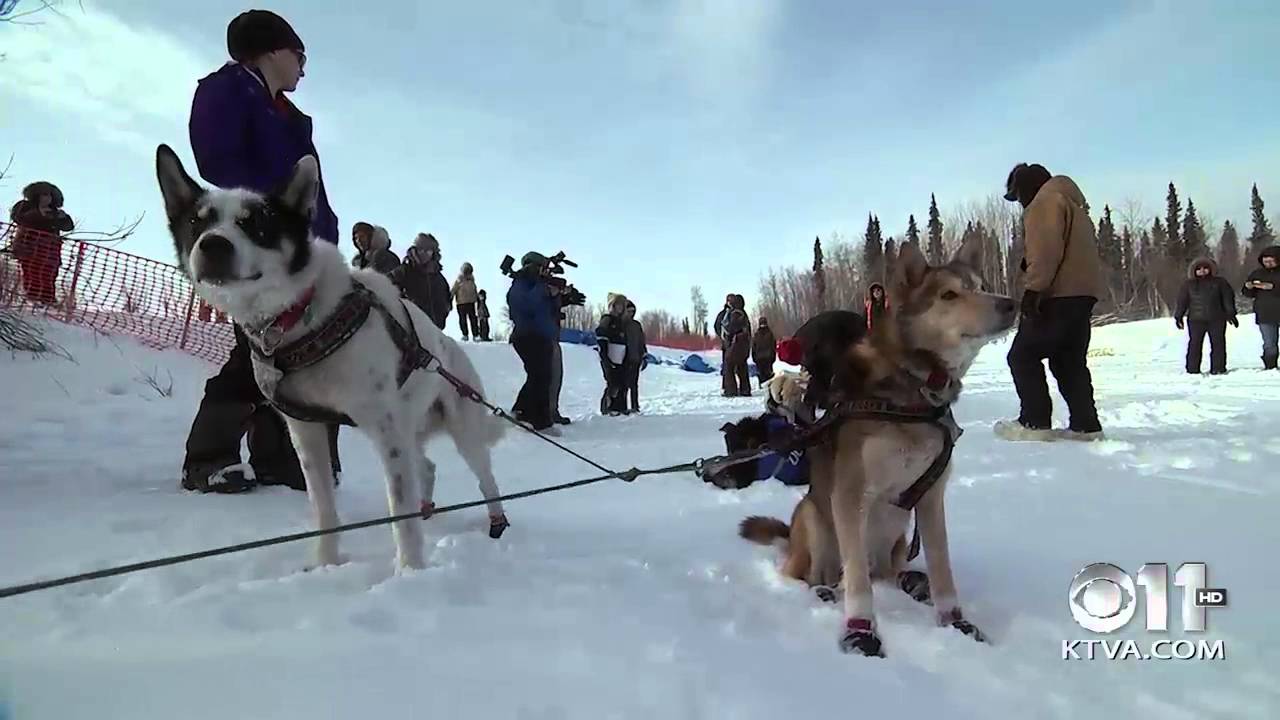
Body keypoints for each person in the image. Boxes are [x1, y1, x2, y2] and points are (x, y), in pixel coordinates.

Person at [180, 9, 341, 494]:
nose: (303, 68)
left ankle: (281, 457)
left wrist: (324, 243)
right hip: (257, 252)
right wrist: (267, 218)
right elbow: (216, 158)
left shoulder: (289, 118)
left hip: (303, 255)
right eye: (300, 55)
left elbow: (311, 195)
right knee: (256, 351)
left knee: (302, 354)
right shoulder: (227, 90)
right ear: (272, 49)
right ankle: (208, 458)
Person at [997, 162, 1106, 441]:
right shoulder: (1071, 203)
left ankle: (1034, 423)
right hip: (1083, 294)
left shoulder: (1044, 202)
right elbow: (1067, 249)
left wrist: (1034, 290)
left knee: (1022, 356)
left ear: (1024, 187)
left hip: (1057, 295)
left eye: (1017, 196)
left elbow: (1046, 250)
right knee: (1068, 361)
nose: (1020, 203)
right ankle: (1086, 426)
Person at [506, 252, 559, 432]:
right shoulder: (520, 284)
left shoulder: (536, 285)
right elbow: (525, 305)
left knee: (541, 376)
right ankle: (539, 421)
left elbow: (545, 310)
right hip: (527, 336)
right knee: (540, 376)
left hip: (542, 336)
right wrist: (543, 289)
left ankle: (522, 412)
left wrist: (558, 296)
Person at [782, 309, 868, 410]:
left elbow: (835, 368)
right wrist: (811, 398)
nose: (802, 363)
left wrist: (833, 395)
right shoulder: (799, 341)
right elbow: (816, 372)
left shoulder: (825, 344)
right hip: (835, 334)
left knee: (852, 369)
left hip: (854, 327)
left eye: (801, 359)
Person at [8, 181, 74, 306]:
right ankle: (32, 297)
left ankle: (48, 299)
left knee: (49, 273)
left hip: (50, 250)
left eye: (49, 195)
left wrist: (62, 218)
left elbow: (68, 226)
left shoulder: (54, 211)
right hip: (29, 247)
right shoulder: (25, 206)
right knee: (31, 271)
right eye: (44, 195)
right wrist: (39, 214)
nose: (47, 198)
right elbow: (19, 218)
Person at [1174, 257, 1238, 375]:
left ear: (1211, 269)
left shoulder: (1220, 282)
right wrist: (1178, 316)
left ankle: (1218, 368)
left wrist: (1231, 314)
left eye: (1205, 268)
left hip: (1217, 318)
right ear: (1194, 271)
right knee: (1194, 344)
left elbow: (1228, 299)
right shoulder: (1188, 285)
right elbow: (1182, 301)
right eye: (1199, 269)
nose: (1202, 271)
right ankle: (1192, 369)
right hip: (1195, 319)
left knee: (1218, 343)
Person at [391, 233, 452, 329]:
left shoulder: (439, 279)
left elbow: (446, 301)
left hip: (434, 331)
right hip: (409, 330)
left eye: (428, 250)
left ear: (433, 253)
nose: (423, 253)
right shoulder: (404, 271)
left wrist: (443, 314)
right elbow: (388, 286)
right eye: (420, 249)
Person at [1242, 246, 1280, 370]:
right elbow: (1248, 294)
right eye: (1265, 261)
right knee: (1269, 343)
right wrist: (1248, 287)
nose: (1268, 264)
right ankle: (1270, 366)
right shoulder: (1257, 273)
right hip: (1265, 313)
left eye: (1271, 261)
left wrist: (1273, 288)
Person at [596, 294, 631, 415]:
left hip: (620, 354)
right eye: (619, 305)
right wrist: (604, 354)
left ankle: (620, 407)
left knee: (622, 381)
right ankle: (607, 407)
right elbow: (600, 335)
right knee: (612, 382)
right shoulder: (607, 319)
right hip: (610, 354)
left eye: (623, 306)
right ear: (613, 306)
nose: (621, 308)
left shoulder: (622, 322)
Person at [547, 284, 571, 424]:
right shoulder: (536, 288)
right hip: (543, 337)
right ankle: (547, 412)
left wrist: (563, 298)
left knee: (556, 376)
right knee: (547, 377)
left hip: (553, 336)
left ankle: (552, 410)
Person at [721, 294, 752, 397]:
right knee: (742, 367)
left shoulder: (735, 313)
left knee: (729, 366)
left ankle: (731, 390)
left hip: (735, 345)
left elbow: (732, 329)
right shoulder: (744, 314)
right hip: (744, 346)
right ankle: (745, 390)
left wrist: (726, 332)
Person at [622, 299, 647, 414]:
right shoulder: (621, 324)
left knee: (634, 384)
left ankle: (635, 406)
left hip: (636, 358)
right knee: (624, 383)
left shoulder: (636, 325)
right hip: (624, 358)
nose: (631, 314)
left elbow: (641, 341)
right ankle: (622, 406)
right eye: (629, 311)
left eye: (633, 311)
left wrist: (644, 354)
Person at [452, 262, 481, 341]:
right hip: (461, 303)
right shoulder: (459, 280)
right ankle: (465, 334)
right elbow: (454, 290)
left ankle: (475, 334)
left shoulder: (472, 280)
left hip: (470, 302)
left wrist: (477, 299)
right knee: (463, 319)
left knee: (473, 319)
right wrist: (450, 299)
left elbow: (475, 290)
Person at [751, 316, 776, 387]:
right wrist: (773, 357)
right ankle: (768, 386)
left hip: (759, 357)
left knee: (761, 373)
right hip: (768, 357)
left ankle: (762, 385)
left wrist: (754, 356)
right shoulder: (770, 334)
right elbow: (773, 346)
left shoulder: (757, 334)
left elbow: (754, 346)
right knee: (768, 373)